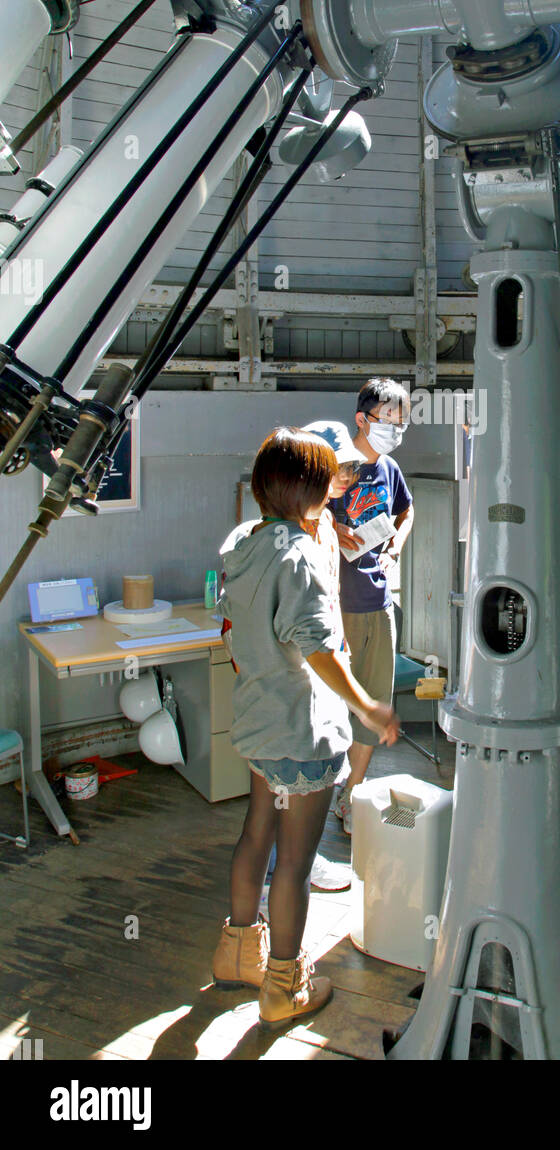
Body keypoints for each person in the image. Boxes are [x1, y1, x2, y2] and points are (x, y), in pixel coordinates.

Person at [212, 427, 400, 1027]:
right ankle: (283, 986)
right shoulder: (298, 555)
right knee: (295, 863)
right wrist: (368, 706)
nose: (336, 488)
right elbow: (318, 647)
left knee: (255, 837)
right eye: (327, 480)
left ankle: (239, 953)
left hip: (260, 721)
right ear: (307, 487)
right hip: (303, 733)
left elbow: (241, 625)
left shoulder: (244, 542)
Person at [260, 419, 368, 901]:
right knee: (288, 786)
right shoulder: (277, 536)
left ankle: (290, 864)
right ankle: (284, 879)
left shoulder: (322, 523)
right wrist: (366, 703)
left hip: (315, 674)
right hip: (292, 682)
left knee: (290, 793)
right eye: (335, 467)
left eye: (347, 468)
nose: (344, 477)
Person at [330, 378, 414, 834]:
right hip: (329, 606)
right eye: (388, 420)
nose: (396, 429)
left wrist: (398, 541)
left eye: (403, 422)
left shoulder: (390, 470)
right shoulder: (332, 465)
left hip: (375, 601)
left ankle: (349, 796)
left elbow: (407, 509)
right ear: (361, 419)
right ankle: (316, 790)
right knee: (327, 704)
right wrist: (326, 524)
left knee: (374, 701)